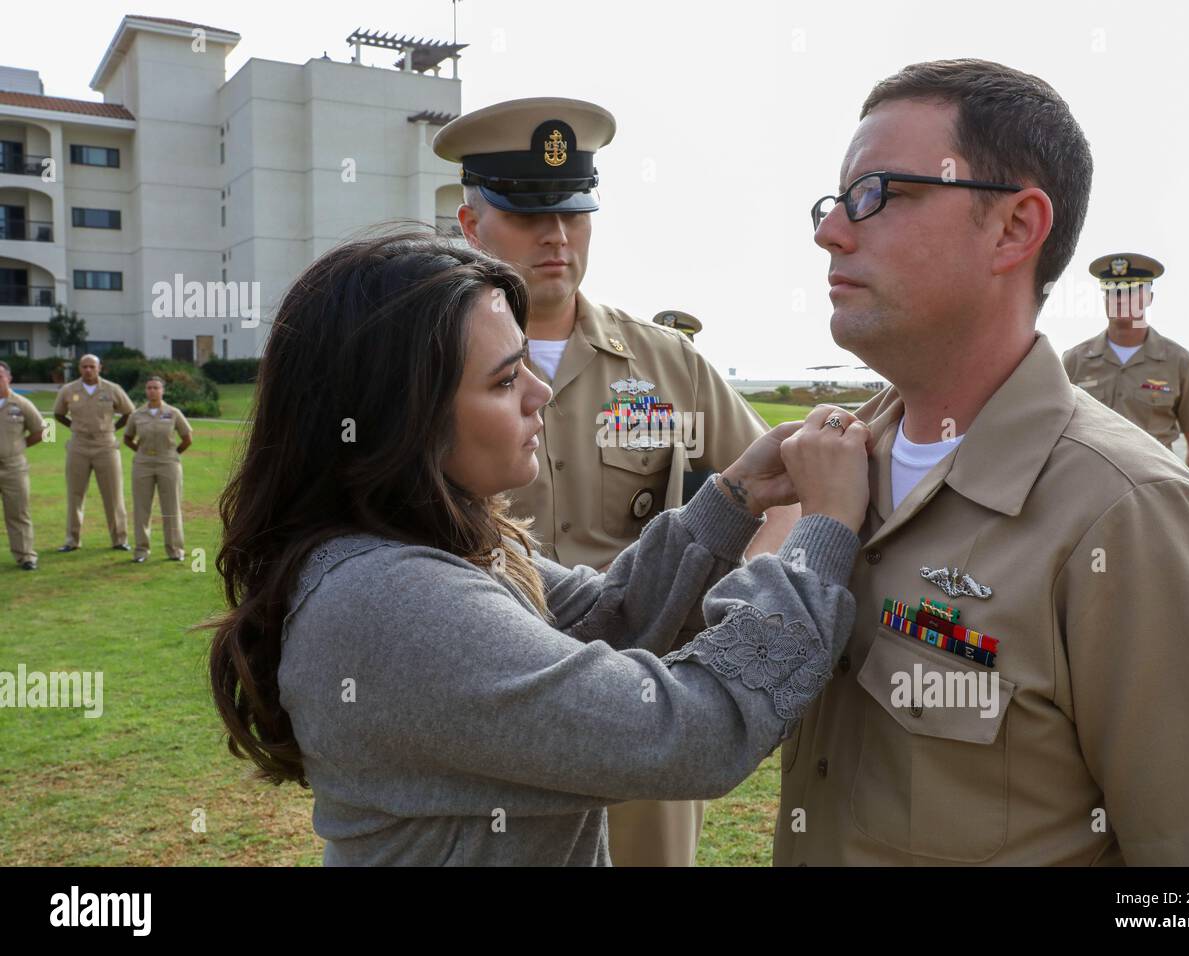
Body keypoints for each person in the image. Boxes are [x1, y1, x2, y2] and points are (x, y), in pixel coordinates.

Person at [207, 231, 870, 866]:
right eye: (502, 381)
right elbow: (688, 733)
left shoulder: (436, 543)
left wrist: (735, 496)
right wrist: (822, 536)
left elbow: (603, 619)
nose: (540, 392)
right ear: (403, 420)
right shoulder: (392, 602)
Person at [779, 58, 1189, 865]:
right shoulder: (837, 465)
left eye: (880, 193)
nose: (831, 230)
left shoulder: (1131, 514)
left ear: (1015, 229)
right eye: (836, 201)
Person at [434, 97, 801, 866]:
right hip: (494, 691)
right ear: (472, 226)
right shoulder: (428, 367)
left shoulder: (667, 363)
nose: (557, 236)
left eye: (574, 212)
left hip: (644, 696)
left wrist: (742, 607)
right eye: (528, 212)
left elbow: (782, 484)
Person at [1061, 253, 1189, 480]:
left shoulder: (1180, 362)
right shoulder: (1074, 360)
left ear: (1149, 298)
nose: (1121, 299)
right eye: (1113, 291)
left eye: (1130, 291)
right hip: (1086, 489)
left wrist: (1187, 501)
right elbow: (1052, 430)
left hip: (1152, 493)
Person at [52, 354, 133, 552]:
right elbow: (58, 413)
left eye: (92, 366)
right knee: (75, 494)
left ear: (99, 368)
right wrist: (75, 427)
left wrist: (112, 427)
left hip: (105, 445)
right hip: (78, 446)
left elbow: (129, 412)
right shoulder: (69, 390)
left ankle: (119, 539)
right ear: (79, 368)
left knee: (113, 494)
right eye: (84, 366)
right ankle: (72, 540)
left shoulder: (112, 389)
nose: (88, 370)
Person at [123, 375, 193, 563]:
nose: (152, 391)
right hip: (143, 464)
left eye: (156, 387)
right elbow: (127, 438)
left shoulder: (173, 413)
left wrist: (173, 454)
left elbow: (187, 438)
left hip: (168, 463)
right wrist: (141, 452)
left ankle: (175, 550)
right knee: (141, 509)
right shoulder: (137, 414)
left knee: (171, 508)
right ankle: (141, 551)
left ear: (163, 391)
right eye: (149, 388)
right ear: (145, 391)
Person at [0, 359, 44, 571]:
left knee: (18, 512)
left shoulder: (21, 404)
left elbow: (41, 431)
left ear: (9, 379)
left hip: (13, 467)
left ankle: (26, 556)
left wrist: (19, 446)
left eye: (0, 376)